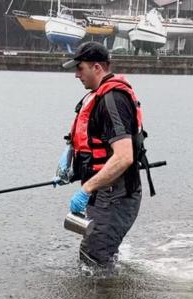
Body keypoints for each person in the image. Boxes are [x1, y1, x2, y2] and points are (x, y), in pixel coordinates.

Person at [55, 42, 151, 270]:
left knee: (94, 259)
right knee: (94, 256)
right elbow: (91, 141)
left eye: (80, 68)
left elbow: (124, 156)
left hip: (116, 196)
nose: (76, 75)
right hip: (102, 194)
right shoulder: (96, 96)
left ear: (97, 67)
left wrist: (85, 190)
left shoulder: (113, 100)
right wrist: (69, 162)